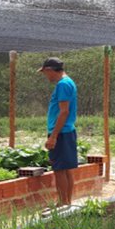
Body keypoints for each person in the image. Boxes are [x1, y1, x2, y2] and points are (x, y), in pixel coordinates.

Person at [38, 57, 77, 205]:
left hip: (61, 132)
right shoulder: (68, 82)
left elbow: (64, 112)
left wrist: (53, 136)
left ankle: (62, 204)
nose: (46, 76)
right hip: (65, 131)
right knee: (66, 169)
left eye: (45, 73)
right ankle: (66, 203)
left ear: (49, 70)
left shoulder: (63, 85)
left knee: (60, 169)